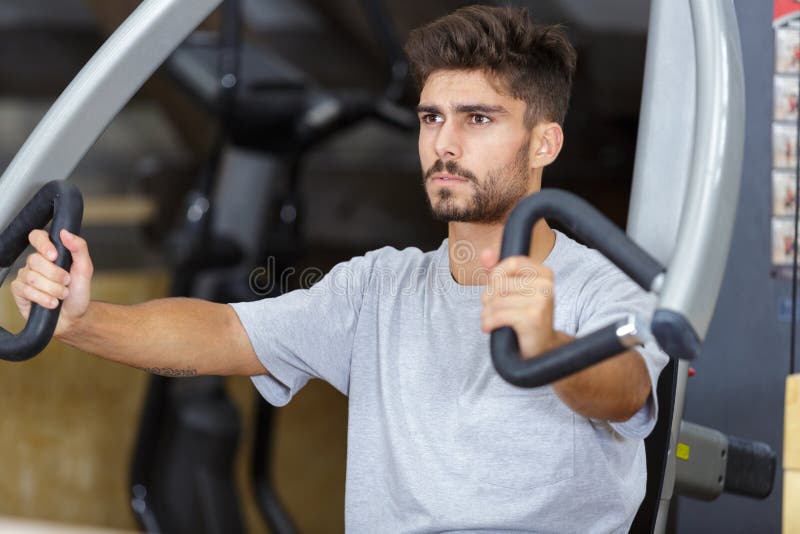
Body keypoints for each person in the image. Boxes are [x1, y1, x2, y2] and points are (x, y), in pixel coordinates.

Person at [11, 5, 668, 532]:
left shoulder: (603, 286)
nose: (444, 142)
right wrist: (84, 320)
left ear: (544, 142)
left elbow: (627, 391)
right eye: (432, 118)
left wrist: (548, 345)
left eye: (478, 119)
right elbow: (221, 333)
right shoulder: (378, 287)